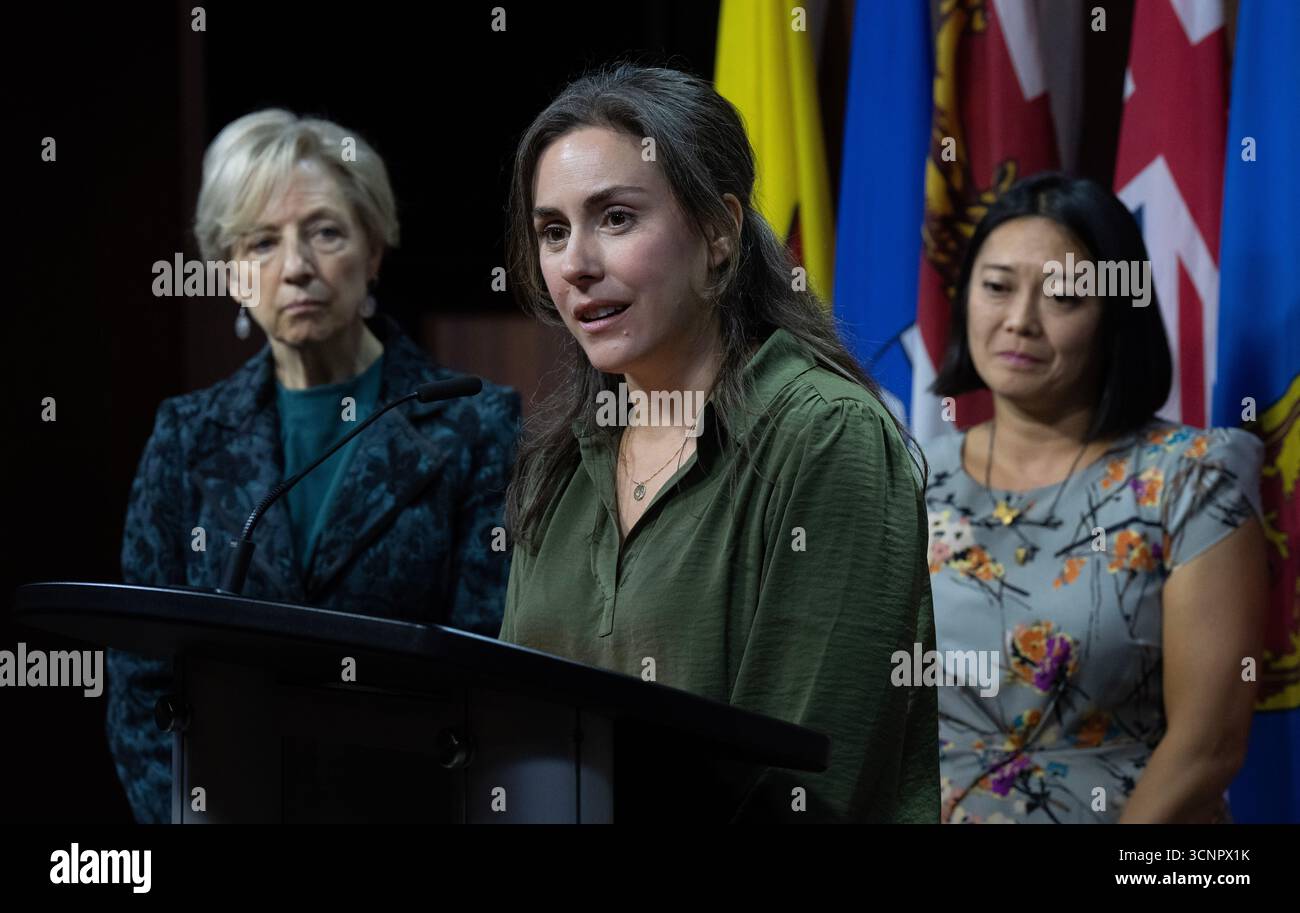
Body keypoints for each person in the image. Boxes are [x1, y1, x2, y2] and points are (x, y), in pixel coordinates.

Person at [496, 63, 938, 822]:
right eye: (553, 231)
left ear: (718, 235)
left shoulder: (825, 436)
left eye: (616, 218)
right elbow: (505, 727)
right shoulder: (561, 461)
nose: (577, 264)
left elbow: (807, 783)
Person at [107, 109, 521, 823]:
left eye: (325, 232)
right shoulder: (184, 436)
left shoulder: (475, 424)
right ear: (232, 274)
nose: (296, 266)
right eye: (262, 243)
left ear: (374, 250)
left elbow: (487, 669)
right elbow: (139, 684)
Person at [925, 172, 1267, 823]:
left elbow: (1209, 744)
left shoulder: (1192, 478)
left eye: (1062, 297)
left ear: (1115, 316)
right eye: (997, 287)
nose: (1020, 321)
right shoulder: (909, 478)